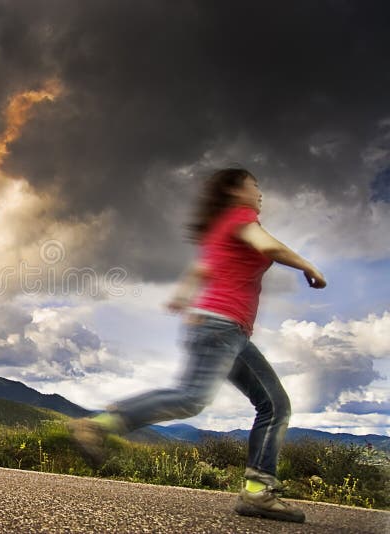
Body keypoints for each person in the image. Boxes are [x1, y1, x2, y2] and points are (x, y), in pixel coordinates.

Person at [69, 167, 326, 523]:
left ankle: (258, 492)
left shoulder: (220, 228)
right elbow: (268, 246)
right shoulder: (241, 217)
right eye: (255, 185)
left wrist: (185, 298)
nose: (260, 192)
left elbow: (201, 271)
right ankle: (100, 424)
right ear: (236, 191)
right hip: (222, 328)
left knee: (274, 404)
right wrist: (308, 265)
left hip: (223, 330)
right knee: (192, 398)